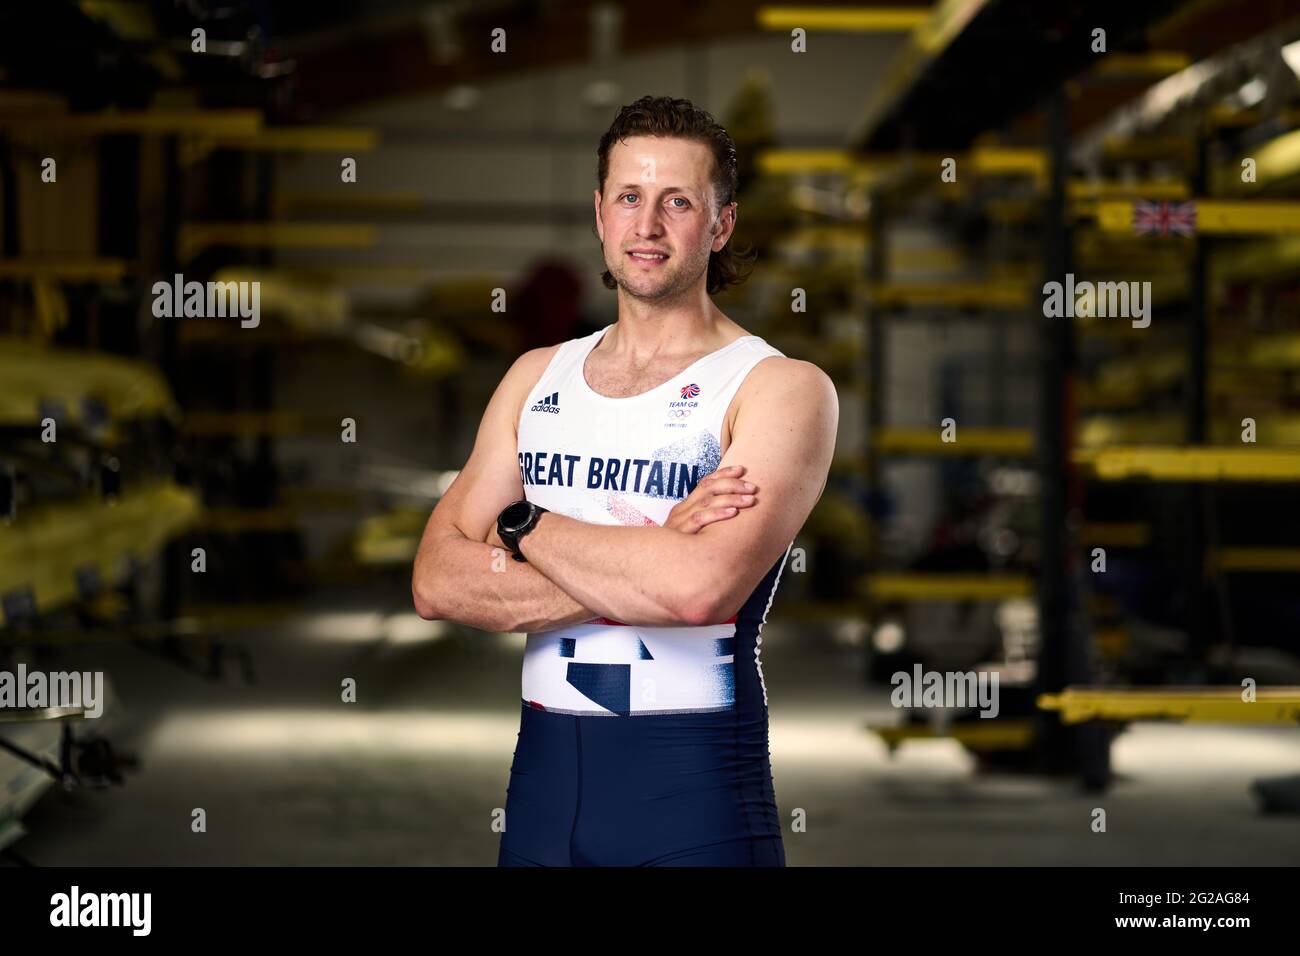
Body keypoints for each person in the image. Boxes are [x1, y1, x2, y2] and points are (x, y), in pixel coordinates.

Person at [412, 95, 838, 866]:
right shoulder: (536, 376)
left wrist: (523, 528)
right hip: (541, 782)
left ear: (721, 225)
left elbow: (696, 594)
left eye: (678, 202)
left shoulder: (777, 388)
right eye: (629, 198)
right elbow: (437, 581)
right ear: (600, 212)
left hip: (690, 788)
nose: (647, 226)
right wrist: (655, 548)